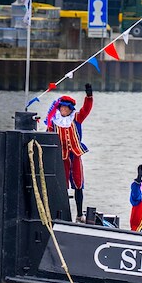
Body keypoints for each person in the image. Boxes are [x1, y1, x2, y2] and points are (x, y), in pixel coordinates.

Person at [45, 83, 94, 220]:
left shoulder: (76, 118)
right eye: (62, 108)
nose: (64, 110)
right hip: (61, 156)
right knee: (62, 184)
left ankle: (79, 214)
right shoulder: (54, 122)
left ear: (70, 109)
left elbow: (86, 109)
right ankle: (62, 213)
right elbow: (48, 137)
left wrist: (89, 96)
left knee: (78, 183)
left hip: (76, 154)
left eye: (67, 108)